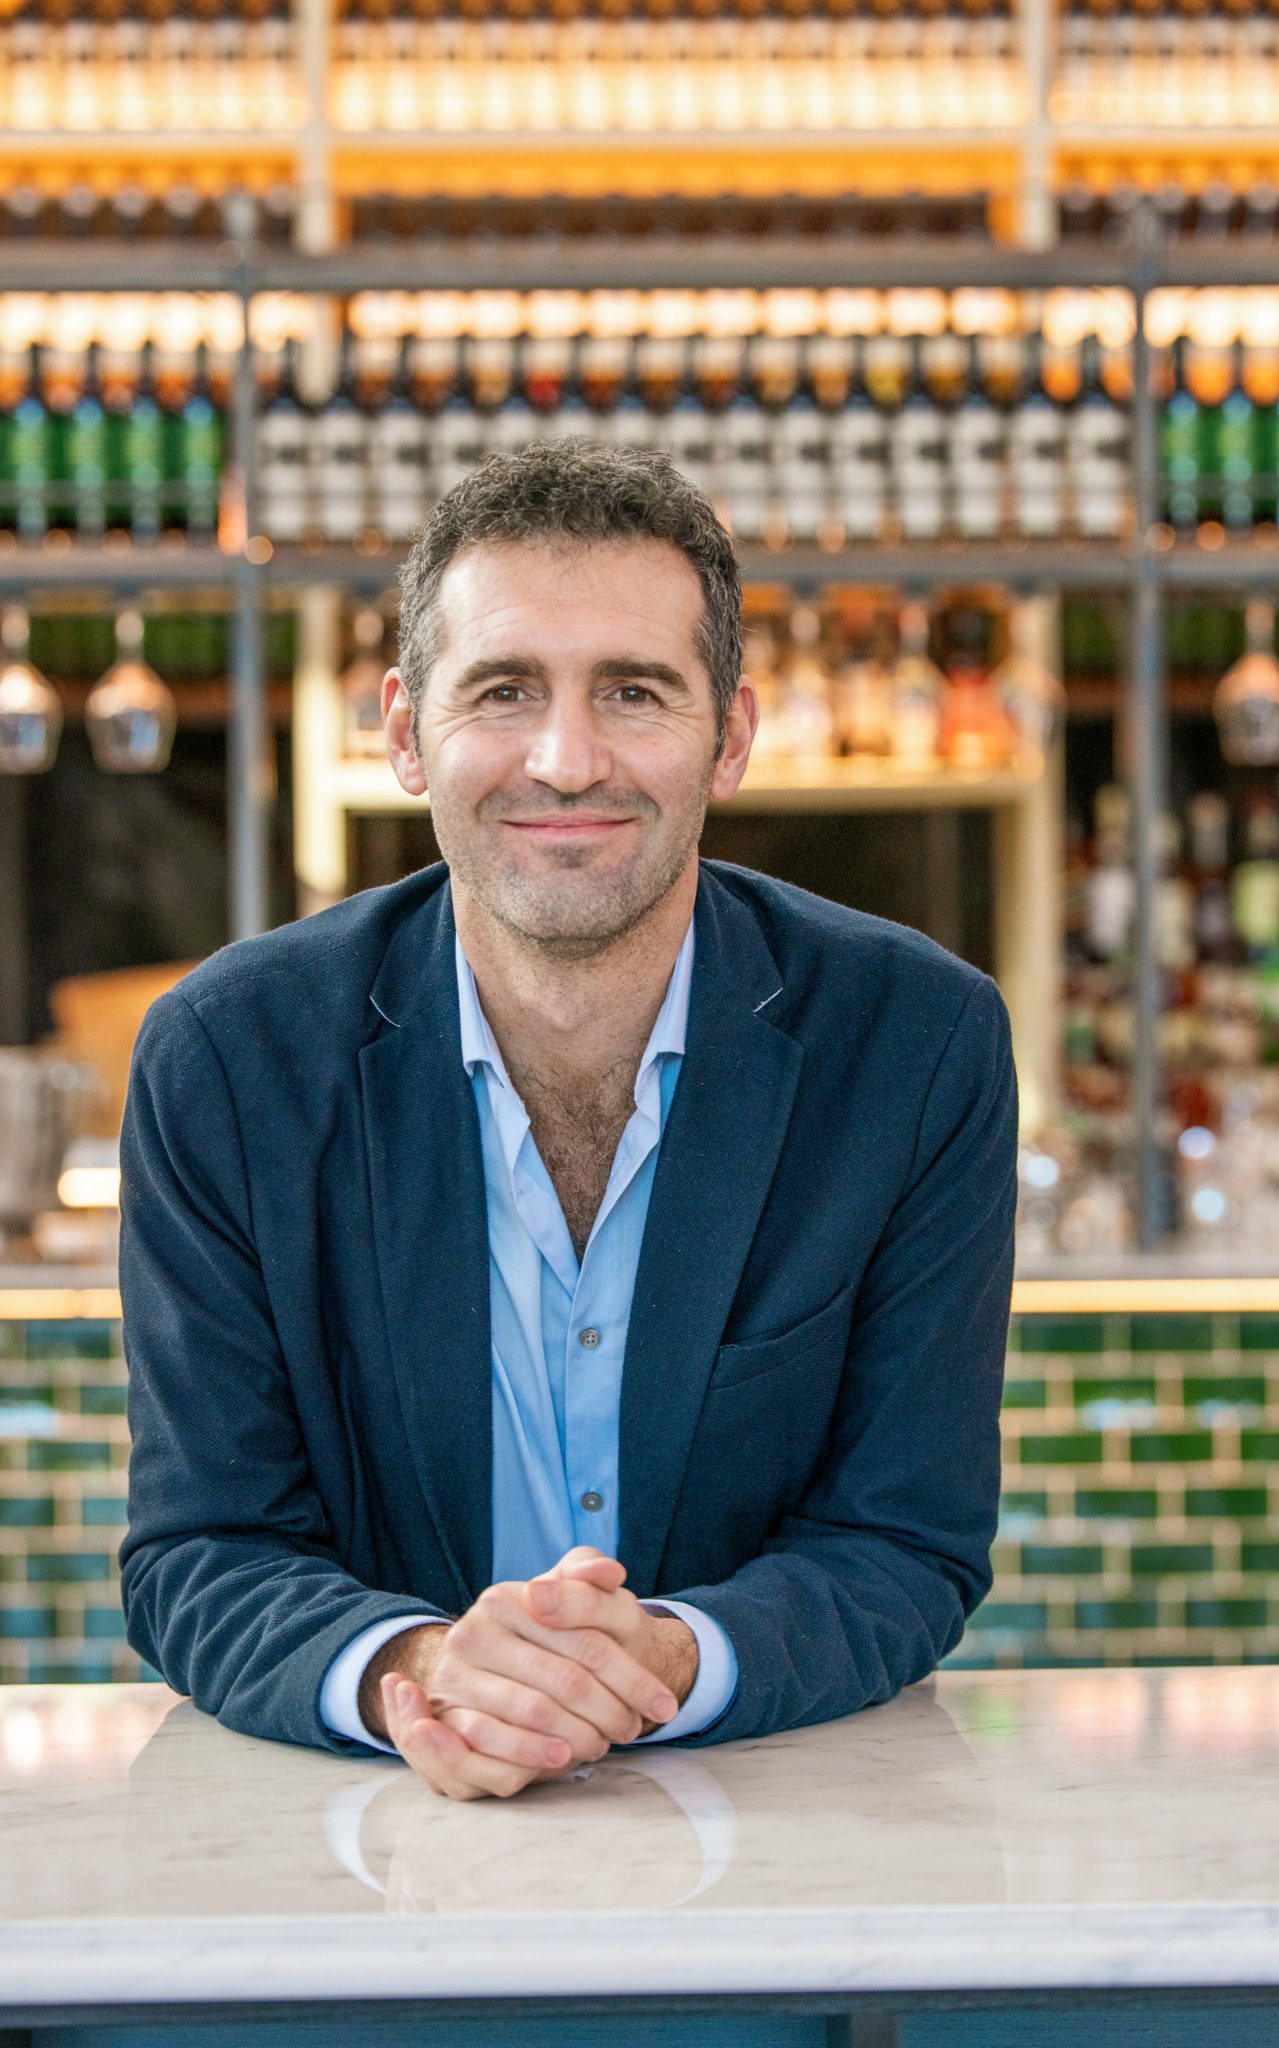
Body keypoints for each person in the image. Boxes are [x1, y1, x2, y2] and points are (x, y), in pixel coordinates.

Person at [118, 438, 1018, 1803]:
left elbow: (905, 1541)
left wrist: (664, 1657)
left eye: (635, 691)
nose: (566, 756)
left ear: (732, 735)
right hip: (357, 1846)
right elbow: (199, 1551)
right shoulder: (229, 1058)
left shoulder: (915, 1046)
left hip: (783, 1837)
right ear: (405, 732)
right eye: (504, 689)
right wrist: (418, 1671)